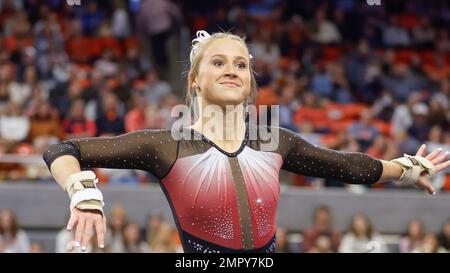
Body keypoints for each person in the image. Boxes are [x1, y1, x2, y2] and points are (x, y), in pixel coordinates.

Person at [43, 30, 450, 253]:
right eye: (218, 62)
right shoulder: (168, 144)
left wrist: (408, 169)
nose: (232, 70)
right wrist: (82, 192)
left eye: (241, 64)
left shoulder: (274, 141)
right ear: (194, 80)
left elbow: (346, 166)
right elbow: (62, 149)